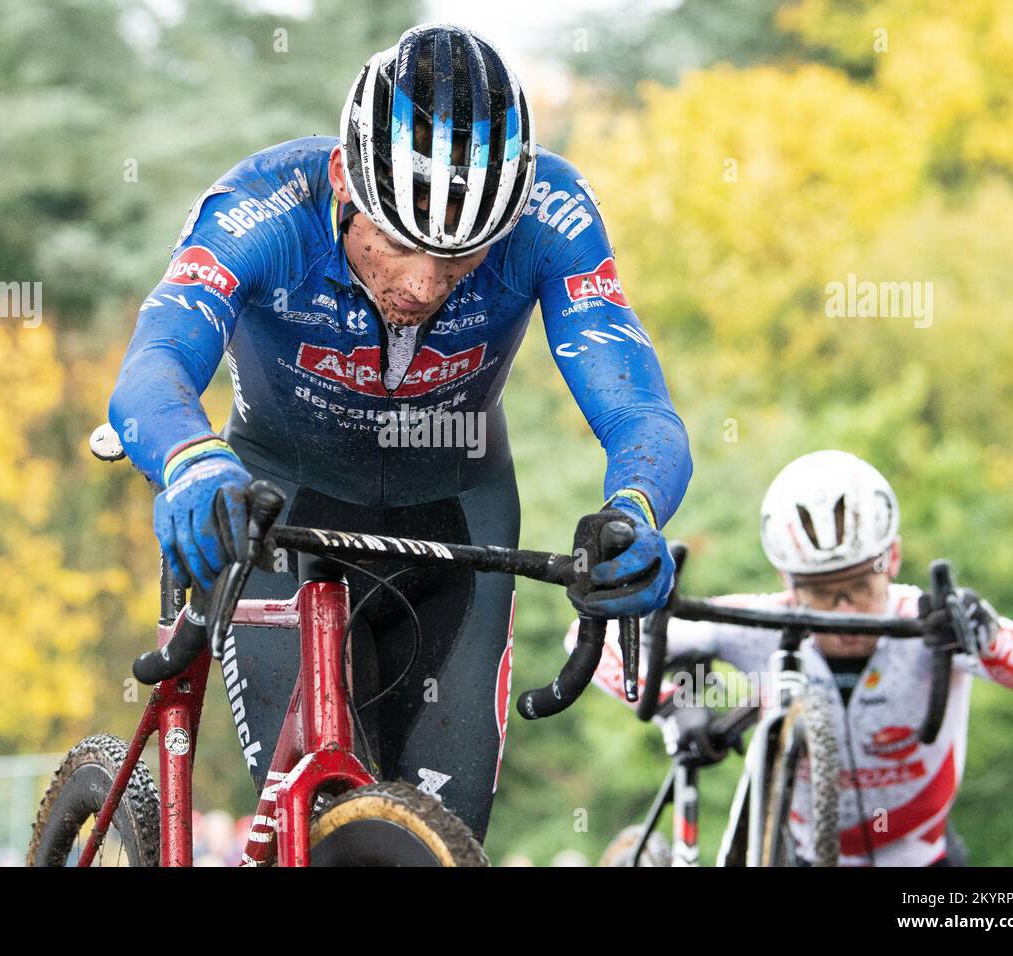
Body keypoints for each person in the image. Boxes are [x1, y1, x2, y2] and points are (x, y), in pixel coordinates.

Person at [109, 24, 692, 850]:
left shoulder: (552, 218)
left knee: (440, 845)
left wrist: (633, 511)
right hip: (279, 506)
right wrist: (190, 461)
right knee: (314, 838)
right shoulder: (263, 207)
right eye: (400, 246)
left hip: (456, 513)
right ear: (347, 180)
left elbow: (641, 412)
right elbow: (155, 362)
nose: (422, 286)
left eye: (459, 263)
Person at [566, 450, 1013, 866]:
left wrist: (983, 631)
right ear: (787, 580)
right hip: (801, 855)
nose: (843, 611)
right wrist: (673, 705)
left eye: (859, 588)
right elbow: (583, 636)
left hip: (924, 859)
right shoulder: (762, 618)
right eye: (820, 594)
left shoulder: (926, 619)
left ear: (890, 559)